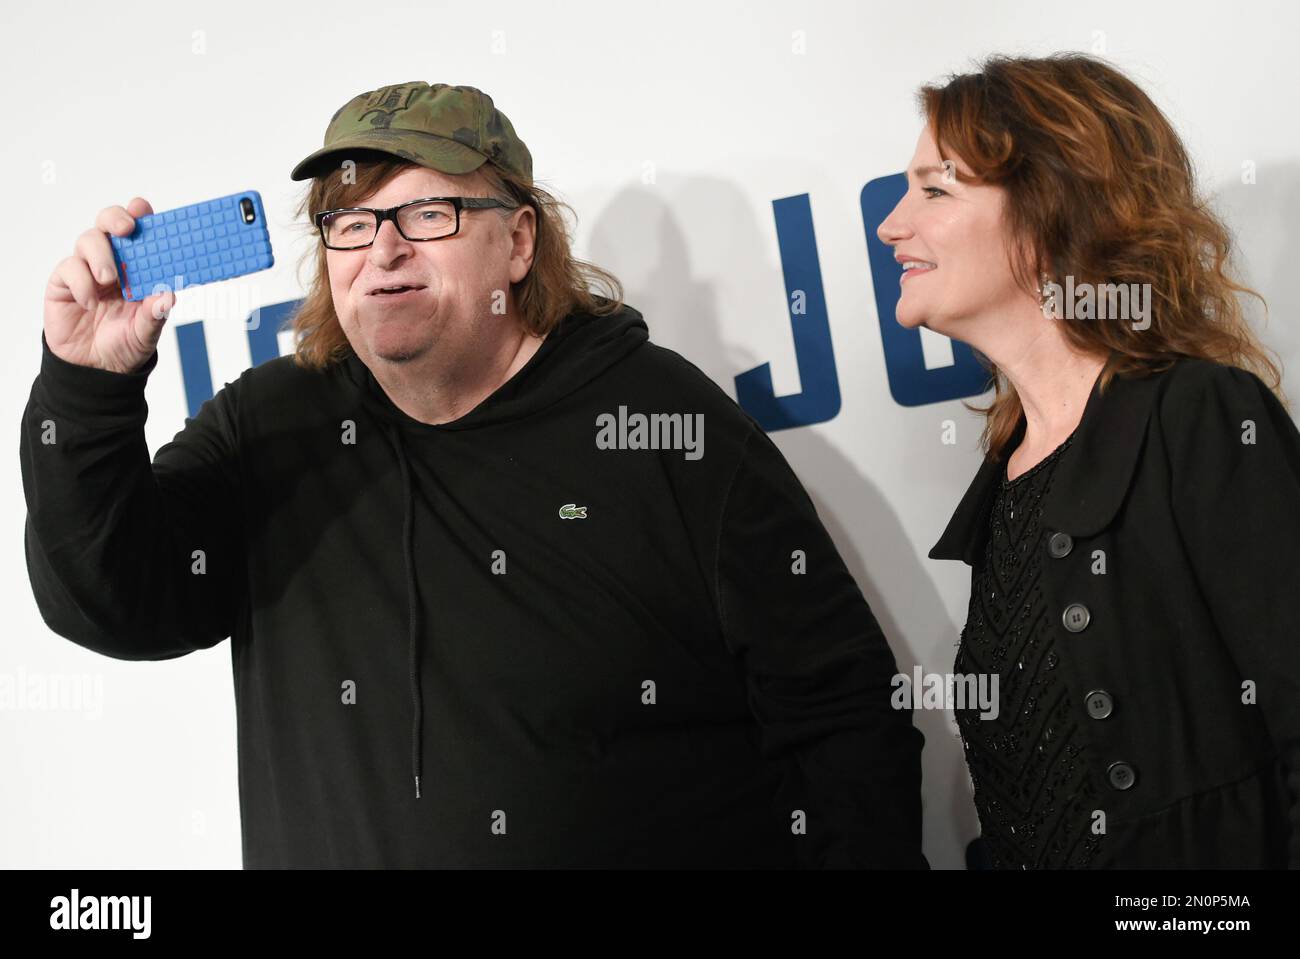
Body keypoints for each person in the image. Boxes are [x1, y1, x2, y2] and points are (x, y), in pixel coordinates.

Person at [22, 81, 926, 868]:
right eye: (351, 221)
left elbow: (844, 722)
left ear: (520, 241)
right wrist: (89, 389)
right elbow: (112, 599)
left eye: (427, 214)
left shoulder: (662, 425)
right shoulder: (272, 425)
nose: (382, 250)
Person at [877, 53, 1300, 869]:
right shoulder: (1009, 477)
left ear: (1047, 213)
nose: (894, 223)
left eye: (935, 189)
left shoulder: (1200, 419)